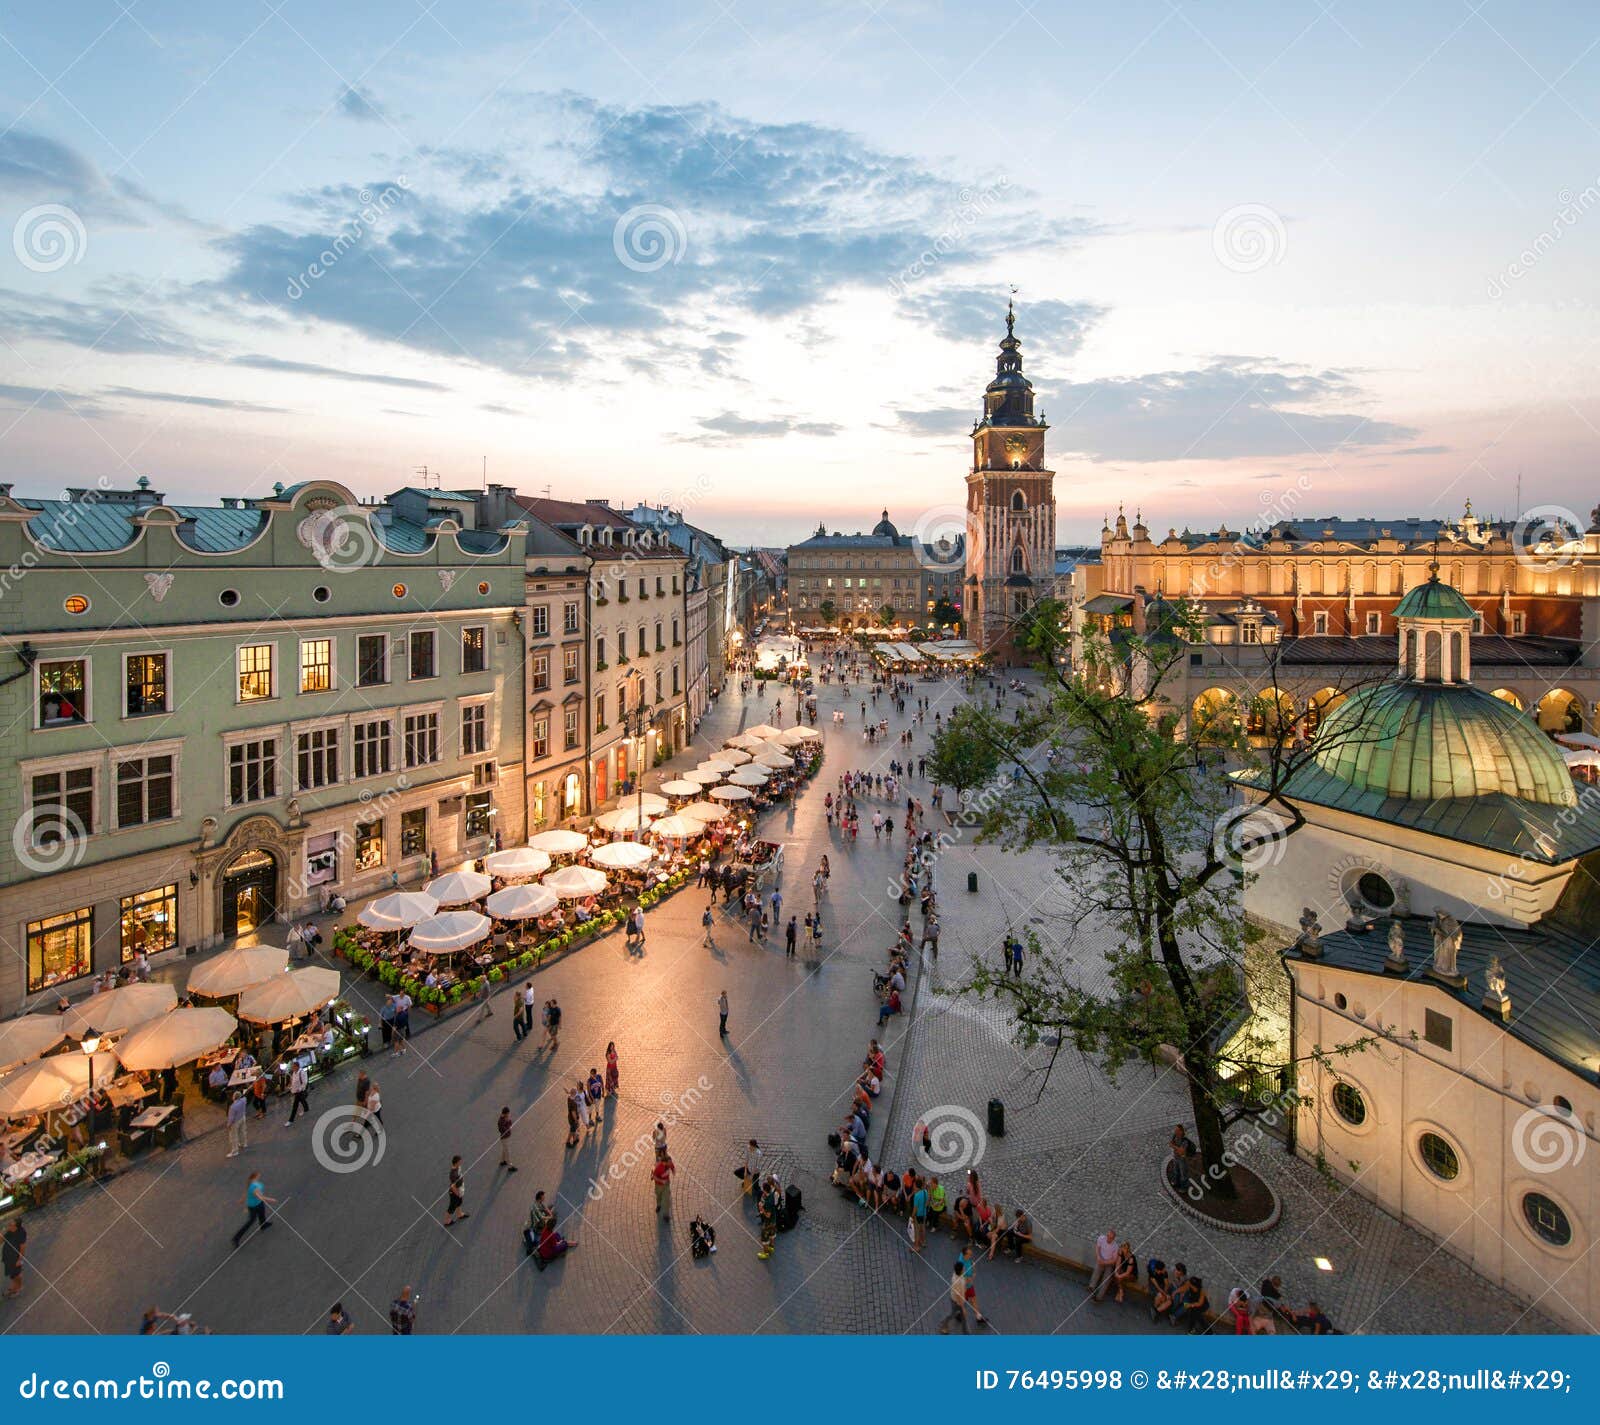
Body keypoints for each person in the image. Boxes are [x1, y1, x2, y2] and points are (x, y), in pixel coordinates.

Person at [230, 1172, 275, 1248]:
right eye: (257, 1176)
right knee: (251, 1221)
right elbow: (260, 1197)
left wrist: (242, 1200)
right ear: (254, 1178)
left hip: (259, 1203)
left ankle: (263, 1225)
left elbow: (247, 1193)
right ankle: (236, 1238)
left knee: (262, 1214)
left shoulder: (256, 1184)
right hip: (253, 1206)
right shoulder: (252, 1187)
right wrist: (270, 1199)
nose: (259, 1177)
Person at [1088, 1227, 1120, 1301]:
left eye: (1111, 1238)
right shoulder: (1101, 1238)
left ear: (1113, 1239)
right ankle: (1091, 1287)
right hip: (1101, 1258)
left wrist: (1105, 1262)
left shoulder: (1115, 1247)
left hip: (1109, 1263)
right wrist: (1099, 1257)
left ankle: (1099, 1297)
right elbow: (1098, 1248)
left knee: (1106, 1279)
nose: (1109, 1239)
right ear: (1106, 1235)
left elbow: (1114, 1260)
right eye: (1108, 1236)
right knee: (1097, 1270)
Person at [939, 1258, 969, 1333]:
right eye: (963, 1268)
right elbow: (958, 1295)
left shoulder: (957, 1274)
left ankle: (965, 1332)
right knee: (952, 1314)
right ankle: (943, 1324)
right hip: (957, 1301)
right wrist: (963, 1307)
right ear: (961, 1271)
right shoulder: (957, 1281)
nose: (964, 1269)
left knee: (962, 1317)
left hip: (960, 1300)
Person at [757, 1175, 782, 1260]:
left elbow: (768, 1215)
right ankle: (771, 1247)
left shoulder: (768, 1202)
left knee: (764, 1237)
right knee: (772, 1234)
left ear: (765, 1190)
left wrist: (762, 1209)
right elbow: (778, 1192)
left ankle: (765, 1253)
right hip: (774, 1220)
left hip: (768, 1222)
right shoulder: (772, 1194)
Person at [2, 1217, 26, 1299]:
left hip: (15, 1258)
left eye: (11, 1223)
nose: (9, 1224)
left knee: (16, 1274)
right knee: (12, 1274)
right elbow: (0, 1241)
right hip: (7, 1258)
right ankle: (13, 1287)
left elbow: (23, 1247)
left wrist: (20, 1260)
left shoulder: (21, 1233)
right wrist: (2, 1233)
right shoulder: (9, 1231)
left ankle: (18, 1289)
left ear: (15, 1226)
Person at [443, 1156, 468, 1226]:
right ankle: (447, 1221)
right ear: (456, 1163)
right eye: (460, 1162)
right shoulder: (453, 1174)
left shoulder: (458, 1167)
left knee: (459, 1202)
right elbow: (453, 1186)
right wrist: (458, 1194)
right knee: (452, 1207)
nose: (461, 1163)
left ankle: (459, 1214)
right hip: (454, 1192)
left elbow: (460, 1175)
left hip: (459, 1189)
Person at [286, 1059, 310, 1125]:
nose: (292, 1068)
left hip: (299, 1091)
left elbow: (305, 1082)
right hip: (295, 1091)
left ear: (297, 1066)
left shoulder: (301, 1072)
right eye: (292, 1067)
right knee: (302, 1100)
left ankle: (290, 1120)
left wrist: (300, 1089)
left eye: (293, 1067)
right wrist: (290, 1087)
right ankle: (306, 1108)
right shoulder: (294, 1073)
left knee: (295, 1106)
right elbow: (293, 1081)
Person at [652, 1153, 675, 1222]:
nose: (671, 1163)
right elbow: (654, 1177)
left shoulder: (669, 1163)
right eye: (669, 1162)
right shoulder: (658, 1167)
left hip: (666, 1185)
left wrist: (673, 1171)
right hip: (659, 1185)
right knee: (659, 1196)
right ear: (664, 1162)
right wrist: (661, 1180)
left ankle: (666, 1215)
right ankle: (659, 1204)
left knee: (666, 1199)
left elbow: (672, 1166)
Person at [226, 1090, 248, 1157]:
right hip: (242, 1117)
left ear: (234, 1097)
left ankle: (235, 1151)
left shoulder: (233, 1107)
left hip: (235, 1122)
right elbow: (244, 1096)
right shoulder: (244, 1100)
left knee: (234, 1136)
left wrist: (228, 1125)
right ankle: (243, 1143)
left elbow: (231, 1118)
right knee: (242, 1131)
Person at [497, 1106, 517, 1172]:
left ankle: (502, 1161)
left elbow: (510, 1123)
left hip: (506, 1137)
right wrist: (507, 1123)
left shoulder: (506, 1118)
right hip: (504, 1138)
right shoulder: (501, 1121)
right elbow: (503, 1129)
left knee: (504, 1149)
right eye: (508, 1113)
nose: (509, 1114)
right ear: (505, 1113)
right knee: (507, 1152)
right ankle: (510, 1166)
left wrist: (508, 1121)